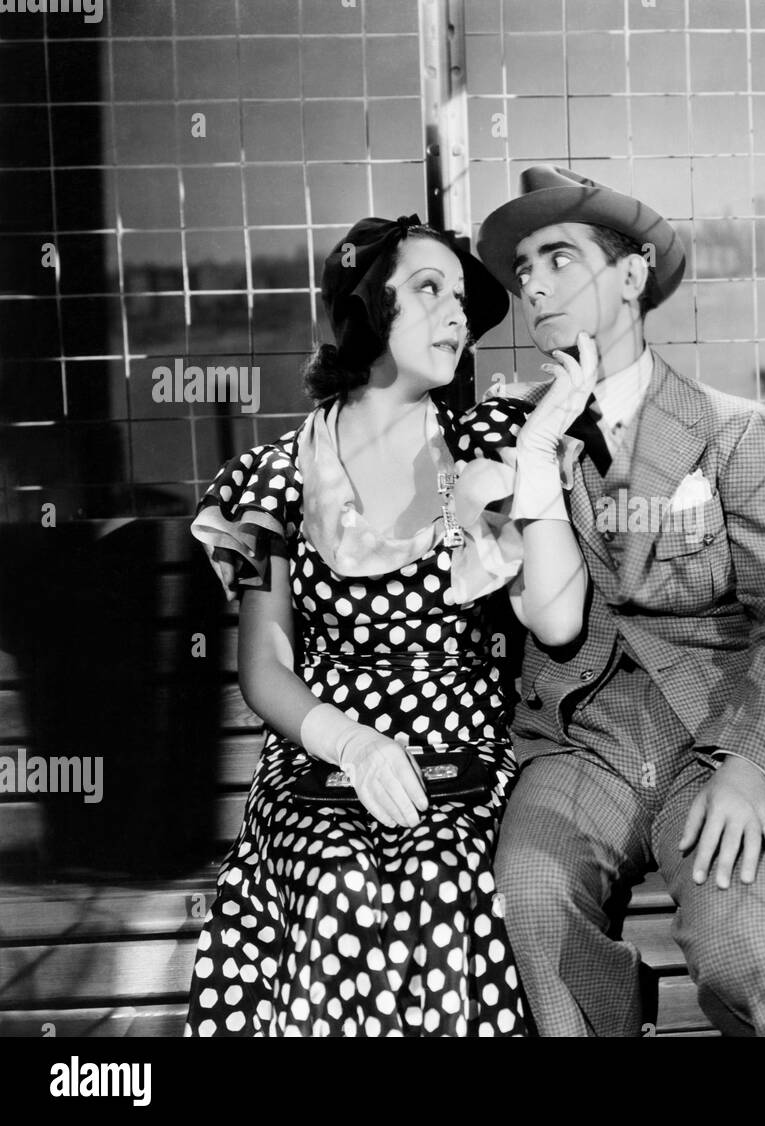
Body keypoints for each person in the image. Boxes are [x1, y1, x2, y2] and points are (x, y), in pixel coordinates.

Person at [183, 214, 593, 1036]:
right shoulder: (271, 482)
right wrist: (353, 743)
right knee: (331, 878)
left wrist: (542, 449)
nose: (457, 315)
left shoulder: (492, 447)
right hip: (321, 758)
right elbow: (265, 663)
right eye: (429, 290)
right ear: (368, 312)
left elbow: (556, 621)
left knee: (446, 879)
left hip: (462, 757)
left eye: (461, 299)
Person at [474, 166, 765, 1036]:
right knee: (529, 902)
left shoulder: (734, 432)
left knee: (746, 954)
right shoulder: (510, 435)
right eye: (524, 268)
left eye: (559, 258)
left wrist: (751, 765)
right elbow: (530, 607)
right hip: (582, 744)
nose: (532, 284)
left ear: (633, 275)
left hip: (716, 740)